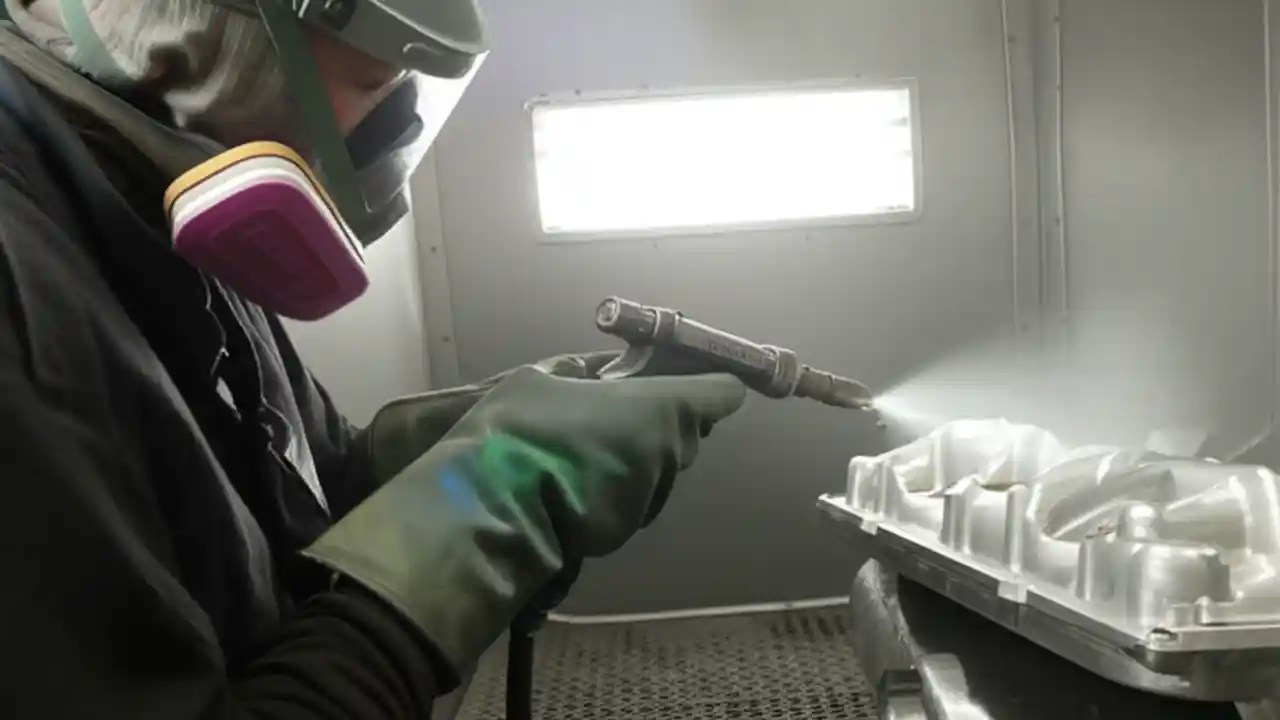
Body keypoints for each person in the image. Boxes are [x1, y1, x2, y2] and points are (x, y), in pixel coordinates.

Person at [0, 1, 747, 717]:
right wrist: (492, 502)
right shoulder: (21, 277)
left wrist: (478, 441)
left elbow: (301, 500)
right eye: (376, 83)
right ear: (213, 44)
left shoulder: (160, 179)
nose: (391, 129)